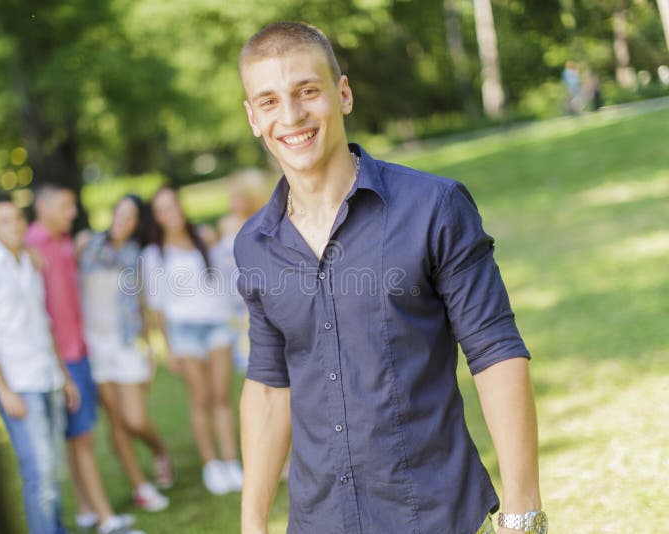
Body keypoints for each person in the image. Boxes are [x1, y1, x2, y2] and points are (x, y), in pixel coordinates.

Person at [235, 22, 546, 534]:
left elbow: (495, 353)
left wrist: (523, 513)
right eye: (268, 102)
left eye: (306, 92)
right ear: (253, 117)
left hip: (436, 517)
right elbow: (270, 385)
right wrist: (252, 522)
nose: (290, 117)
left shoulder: (435, 207)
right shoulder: (255, 244)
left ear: (343, 93)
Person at [0, 194, 80, 534]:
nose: (14, 226)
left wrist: (64, 376)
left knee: (53, 467)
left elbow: (44, 323)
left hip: (49, 377)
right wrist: (5, 388)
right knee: (37, 471)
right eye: (5, 220)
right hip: (18, 384)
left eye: (18, 219)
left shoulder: (29, 263)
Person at [26, 184, 141, 534]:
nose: (73, 213)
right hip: (58, 358)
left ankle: (88, 509)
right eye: (66, 206)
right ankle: (106, 519)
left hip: (79, 350)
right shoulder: (32, 247)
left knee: (78, 437)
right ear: (43, 207)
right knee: (82, 439)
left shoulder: (65, 243)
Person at [142, 186, 243, 496]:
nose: (170, 213)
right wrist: (168, 348)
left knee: (221, 397)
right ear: (156, 217)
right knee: (200, 399)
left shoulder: (203, 238)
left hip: (215, 325)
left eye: (173, 206)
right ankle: (211, 465)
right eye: (162, 210)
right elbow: (156, 307)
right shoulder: (153, 255)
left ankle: (230, 462)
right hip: (184, 332)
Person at [76, 194, 173, 511]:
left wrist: (149, 350)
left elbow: (142, 305)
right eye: (121, 212)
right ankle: (141, 487)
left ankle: (160, 450)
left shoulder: (137, 256)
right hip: (96, 346)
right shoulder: (87, 246)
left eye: (131, 217)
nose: (124, 219)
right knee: (116, 422)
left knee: (135, 419)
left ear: (137, 224)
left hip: (127, 343)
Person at [212, 170, 270, 372]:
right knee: (252, 371)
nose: (232, 202)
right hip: (235, 308)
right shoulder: (225, 224)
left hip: (262, 303)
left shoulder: (265, 223)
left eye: (238, 197)